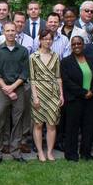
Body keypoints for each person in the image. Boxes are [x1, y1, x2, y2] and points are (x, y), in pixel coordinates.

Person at [0, 22, 30, 162]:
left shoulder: (23, 51)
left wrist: (12, 87)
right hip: (2, 89)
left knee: (18, 121)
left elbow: (25, 73)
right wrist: (6, 89)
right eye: (8, 30)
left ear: (16, 32)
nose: (11, 33)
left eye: (13, 30)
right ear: (3, 32)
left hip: (18, 89)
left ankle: (16, 152)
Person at [60, 35, 93, 161]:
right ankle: (71, 154)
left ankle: (86, 153)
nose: (76, 46)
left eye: (79, 43)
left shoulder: (92, 60)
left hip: (91, 99)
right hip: (74, 100)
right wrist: (83, 92)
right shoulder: (65, 62)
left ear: (83, 45)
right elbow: (67, 81)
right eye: (74, 44)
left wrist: (92, 91)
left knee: (89, 127)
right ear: (71, 46)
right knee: (72, 128)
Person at [29, 31, 62, 161]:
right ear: (40, 40)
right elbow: (32, 79)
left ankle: (49, 152)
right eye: (45, 39)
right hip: (39, 92)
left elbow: (58, 77)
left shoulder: (55, 56)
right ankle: (40, 152)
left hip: (53, 93)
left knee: (51, 124)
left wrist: (61, 95)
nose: (47, 41)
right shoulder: (33, 57)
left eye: (50, 39)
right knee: (38, 124)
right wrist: (35, 97)